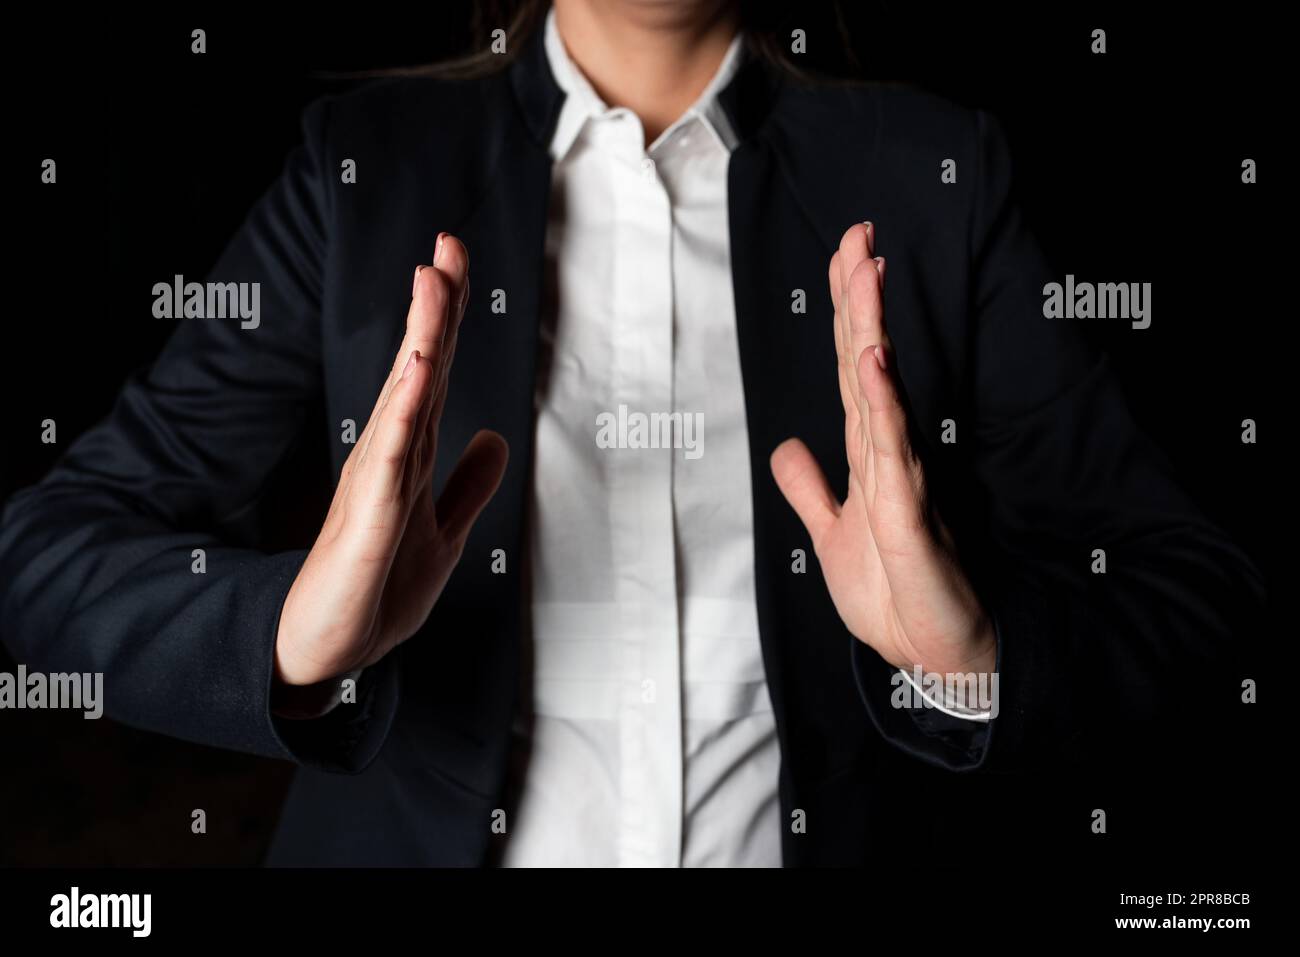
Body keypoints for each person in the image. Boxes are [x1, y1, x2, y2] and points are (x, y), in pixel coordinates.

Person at [0, 0, 1262, 867]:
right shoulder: (363, 166)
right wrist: (285, 636)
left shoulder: (937, 170)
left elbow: (1196, 595)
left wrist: (974, 659)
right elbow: (47, 555)